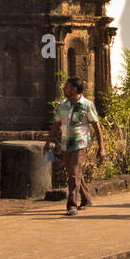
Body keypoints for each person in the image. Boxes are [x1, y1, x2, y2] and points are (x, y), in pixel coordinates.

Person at [46, 76, 104, 217]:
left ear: (74, 89)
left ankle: (72, 205)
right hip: (66, 143)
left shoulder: (87, 105)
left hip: (80, 143)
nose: (64, 89)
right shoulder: (62, 106)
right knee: (75, 173)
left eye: (66, 87)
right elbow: (56, 124)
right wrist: (49, 141)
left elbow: (96, 125)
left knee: (73, 174)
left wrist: (102, 147)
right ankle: (86, 198)